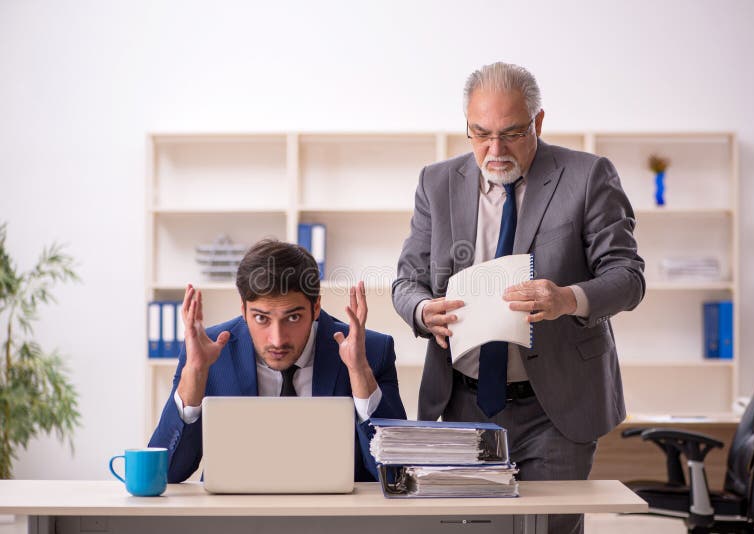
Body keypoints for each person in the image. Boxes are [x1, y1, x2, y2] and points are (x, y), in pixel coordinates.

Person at [392, 62, 645, 534]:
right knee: (471, 528)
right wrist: (425, 311)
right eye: (480, 133)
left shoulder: (587, 176)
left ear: (538, 123)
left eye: (510, 133)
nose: (494, 149)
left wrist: (568, 298)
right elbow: (406, 282)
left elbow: (628, 276)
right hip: (464, 404)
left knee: (547, 528)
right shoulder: (437, 182)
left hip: (557, 406)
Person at [149, 239, 407, 483]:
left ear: (316, 307)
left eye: (292, 318)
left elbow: (396, 474)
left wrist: (359, 371)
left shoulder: (371, 351)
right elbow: (166, 473)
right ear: (243, 310)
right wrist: (194, 372)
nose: (277, 339)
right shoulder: (208, 352)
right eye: (261, 318)